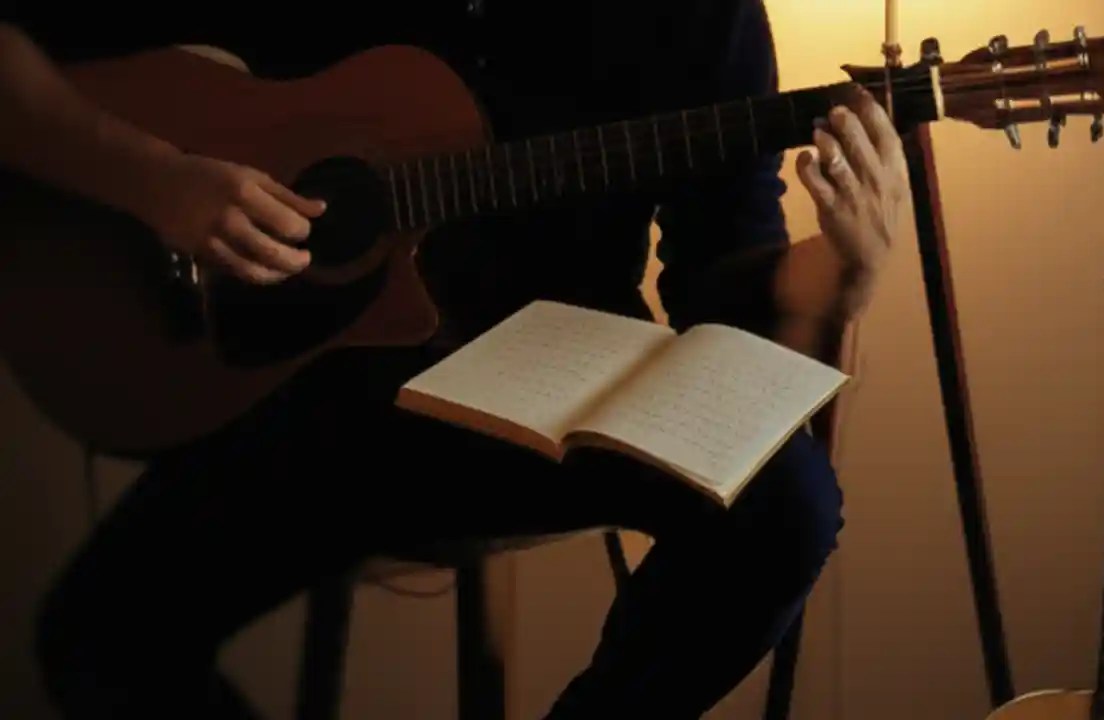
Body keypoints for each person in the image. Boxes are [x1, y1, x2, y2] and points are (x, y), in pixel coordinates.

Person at [0, 3, 907, 718]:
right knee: (99, 642)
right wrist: (153, 179)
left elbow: (723, 293)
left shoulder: (701, 14)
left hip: (553, 406)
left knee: (787, 505)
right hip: (310, 396)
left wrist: (843, 272)